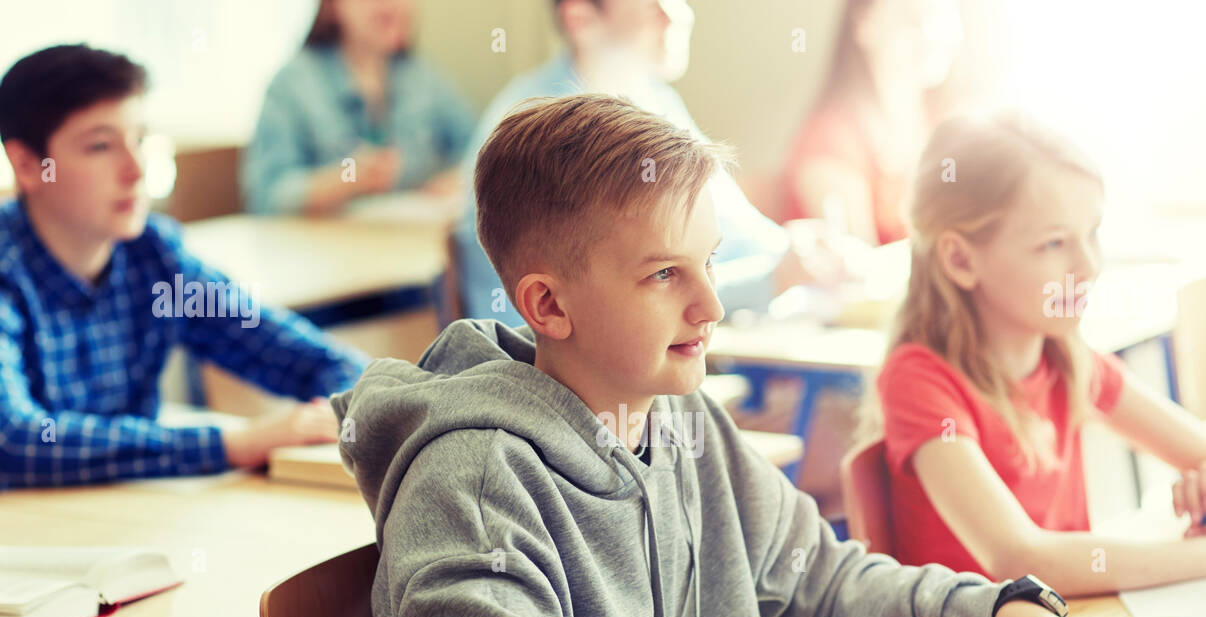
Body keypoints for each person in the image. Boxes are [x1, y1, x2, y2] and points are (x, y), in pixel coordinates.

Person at [333, 94, 1172, 617]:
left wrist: (994, 613)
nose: (711, 305)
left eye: (710, 262)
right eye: (665, 275)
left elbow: (820, 579)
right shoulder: (474, 483)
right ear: (549, 307)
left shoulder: (684, 422)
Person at [868, 113, 1206, 595]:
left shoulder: (1068, 360)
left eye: (1091, 234)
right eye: (1053, 243)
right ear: (961, 260)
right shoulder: (919, 381)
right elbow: (1020, 558)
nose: (1088, 266)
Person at [0, 44, 366, 488]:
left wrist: (334, 411)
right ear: (27, 164)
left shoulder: (155, 256)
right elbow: (12, 439)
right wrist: (232, 444)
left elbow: (312, 359)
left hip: (131, 516)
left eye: (139, 140)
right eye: (100, 146)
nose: (136, 169)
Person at [451, 0, 838, 326]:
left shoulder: (657, 101)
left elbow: (736, 231)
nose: (678, 14)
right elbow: (617, 306)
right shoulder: (546, 136)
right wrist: (771, 279)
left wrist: (803, 251)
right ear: (580, 17)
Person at [241, 0, 474, 215]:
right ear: (333, 6)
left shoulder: (423, 77)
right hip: (322, 252)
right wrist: (345, 179)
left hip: (408, 247)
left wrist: (457, 179)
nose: (395, 5)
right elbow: (266, 198)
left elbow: (477, 148)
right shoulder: (291, 85)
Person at [781, 0, 959, 246]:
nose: (931, 32)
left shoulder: (941, 125)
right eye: (910, 17)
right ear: (864, 22)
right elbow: (859, 272)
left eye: (940, 11)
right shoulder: (829, 143)